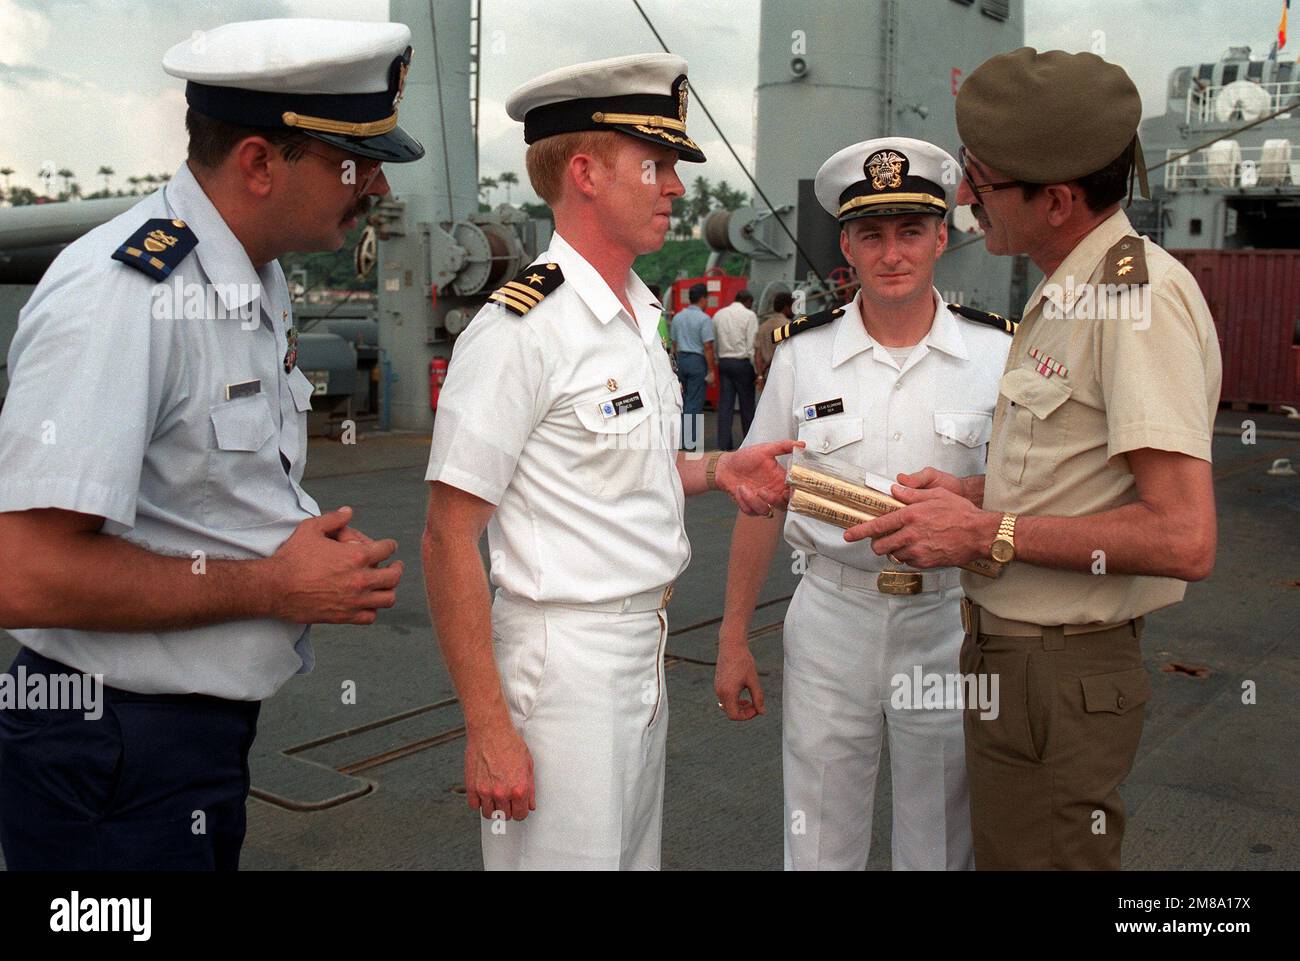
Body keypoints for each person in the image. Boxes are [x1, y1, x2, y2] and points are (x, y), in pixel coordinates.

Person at [0, 19, 422, 870]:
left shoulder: (249, 275)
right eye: (353, 159)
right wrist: (276, 580)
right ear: (261, 162)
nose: (373, 181)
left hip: (180, 746)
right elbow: (22, 571)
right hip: (110, 753)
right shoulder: (125, 295)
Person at [846, 48, 1222, 870]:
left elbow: (1183, 535)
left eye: (982, 180)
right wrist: (975, 494)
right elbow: (1084, 472)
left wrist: (984, 531)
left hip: (1060, 671)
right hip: (1017, 662)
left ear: (1056, 200)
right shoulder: (1071, 291)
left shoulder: (1133, 301)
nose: (966, 197)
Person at [422, 53, 795, 872]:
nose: (676, 188)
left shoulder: (636, 314)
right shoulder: (522, 329)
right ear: (585, 173)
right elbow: (450, 535)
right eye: (655, 166)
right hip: (564, 670)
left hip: (641, 650)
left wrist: (718, 468)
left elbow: (633, 465)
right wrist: (488, 727)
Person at [715, 137, 1012, 871]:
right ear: (846, 242)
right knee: (817, 837)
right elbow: (762, 500)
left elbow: (1024, 497)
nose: (892, 254)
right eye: (871, 234)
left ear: (943, 235)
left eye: (911, 230)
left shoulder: (997, 357)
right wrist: (731, 636)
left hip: (949, 616)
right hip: (832, 619)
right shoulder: (800, 355)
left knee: (941, 842)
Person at [711, 289, 760, 450]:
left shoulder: (719, 314)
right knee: (747, 406)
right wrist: (757, 371)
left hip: (724, 362)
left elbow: (715, 341)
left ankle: (724, 444)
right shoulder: (749, 316)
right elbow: (752, 344)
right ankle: (748, 443)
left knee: (725, 405)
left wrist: (718, 359)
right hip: (742, 363)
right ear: (748, 301)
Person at [671, 282, 717, 449]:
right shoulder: (704, 319)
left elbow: (674, 343)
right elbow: (708, 346)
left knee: (681, 401)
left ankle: (678, 439)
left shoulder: (677, 317)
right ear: (703, 299)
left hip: (681, 360)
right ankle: (690, 443)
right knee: (694, 402)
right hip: (697, 362)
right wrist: (711, 370)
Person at [754, 290, 794, 386]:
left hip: (767, 376)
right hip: (784, 375)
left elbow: (757, 355)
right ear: (786, 307)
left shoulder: (762, 327)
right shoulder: (789, 326)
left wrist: (760, 375)